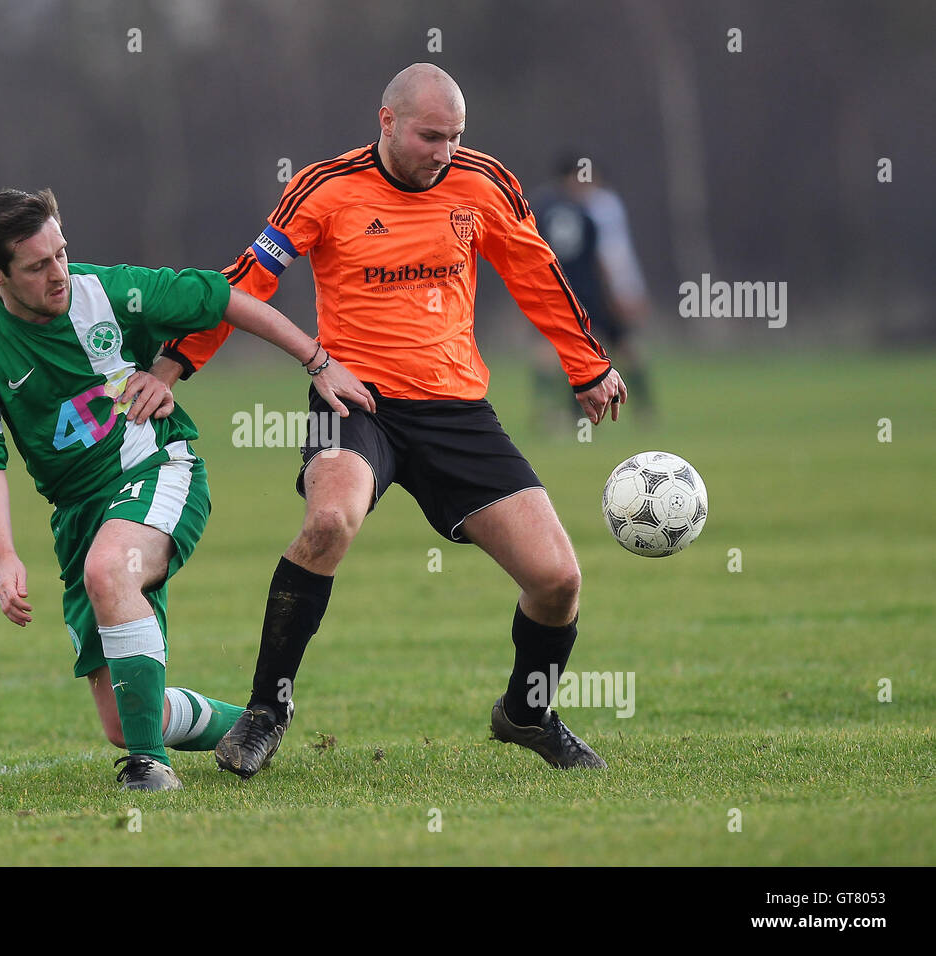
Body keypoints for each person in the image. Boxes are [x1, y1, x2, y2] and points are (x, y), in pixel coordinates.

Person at [152, 64, 627, 776]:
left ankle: (528, 713)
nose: (444, 151)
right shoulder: (323, 188)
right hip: (357, 401)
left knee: (558, 579)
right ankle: (265, 711)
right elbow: (248, 280)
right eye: (430, 135)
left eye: (456, 136)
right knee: (329, 522)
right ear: (386, 121)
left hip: (457, 409)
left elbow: (537, 272)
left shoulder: (484, 182)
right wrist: (173, 365)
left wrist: (586, 365)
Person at [0, 188, 373, 791]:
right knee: (125, 717)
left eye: (62, 253)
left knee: (110, 569)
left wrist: (317, 361)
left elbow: (223, 298)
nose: (59, 273)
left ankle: (148, 770)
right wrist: (4, 554)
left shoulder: (113, 291)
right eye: (37, 266)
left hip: (159, 468)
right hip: (77, 511)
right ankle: (246, 726)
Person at [530, 152, 653, 427]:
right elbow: (604, 256)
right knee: (615, 346)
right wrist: (621, 291)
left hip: (551, 289)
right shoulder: (588, 209)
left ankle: (550, 414)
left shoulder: (539, 208)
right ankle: (642, 409)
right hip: (590, 293)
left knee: (550, 349)